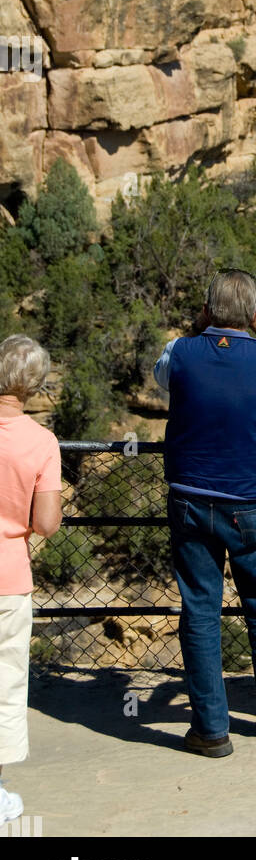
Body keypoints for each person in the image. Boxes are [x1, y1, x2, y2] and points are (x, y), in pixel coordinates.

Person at [154, 269, 256, 757]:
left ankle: (211, 729)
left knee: (200, 609)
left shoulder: (180, 352)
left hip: (190, 498)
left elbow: (162, 378)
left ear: (207, 309)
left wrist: (200, 329)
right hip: (252, 502)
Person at [0, 336, 62, 824]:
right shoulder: (41, 442)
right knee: (6, 682)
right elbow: (44, 523)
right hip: (8, 578)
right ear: (35, 385)